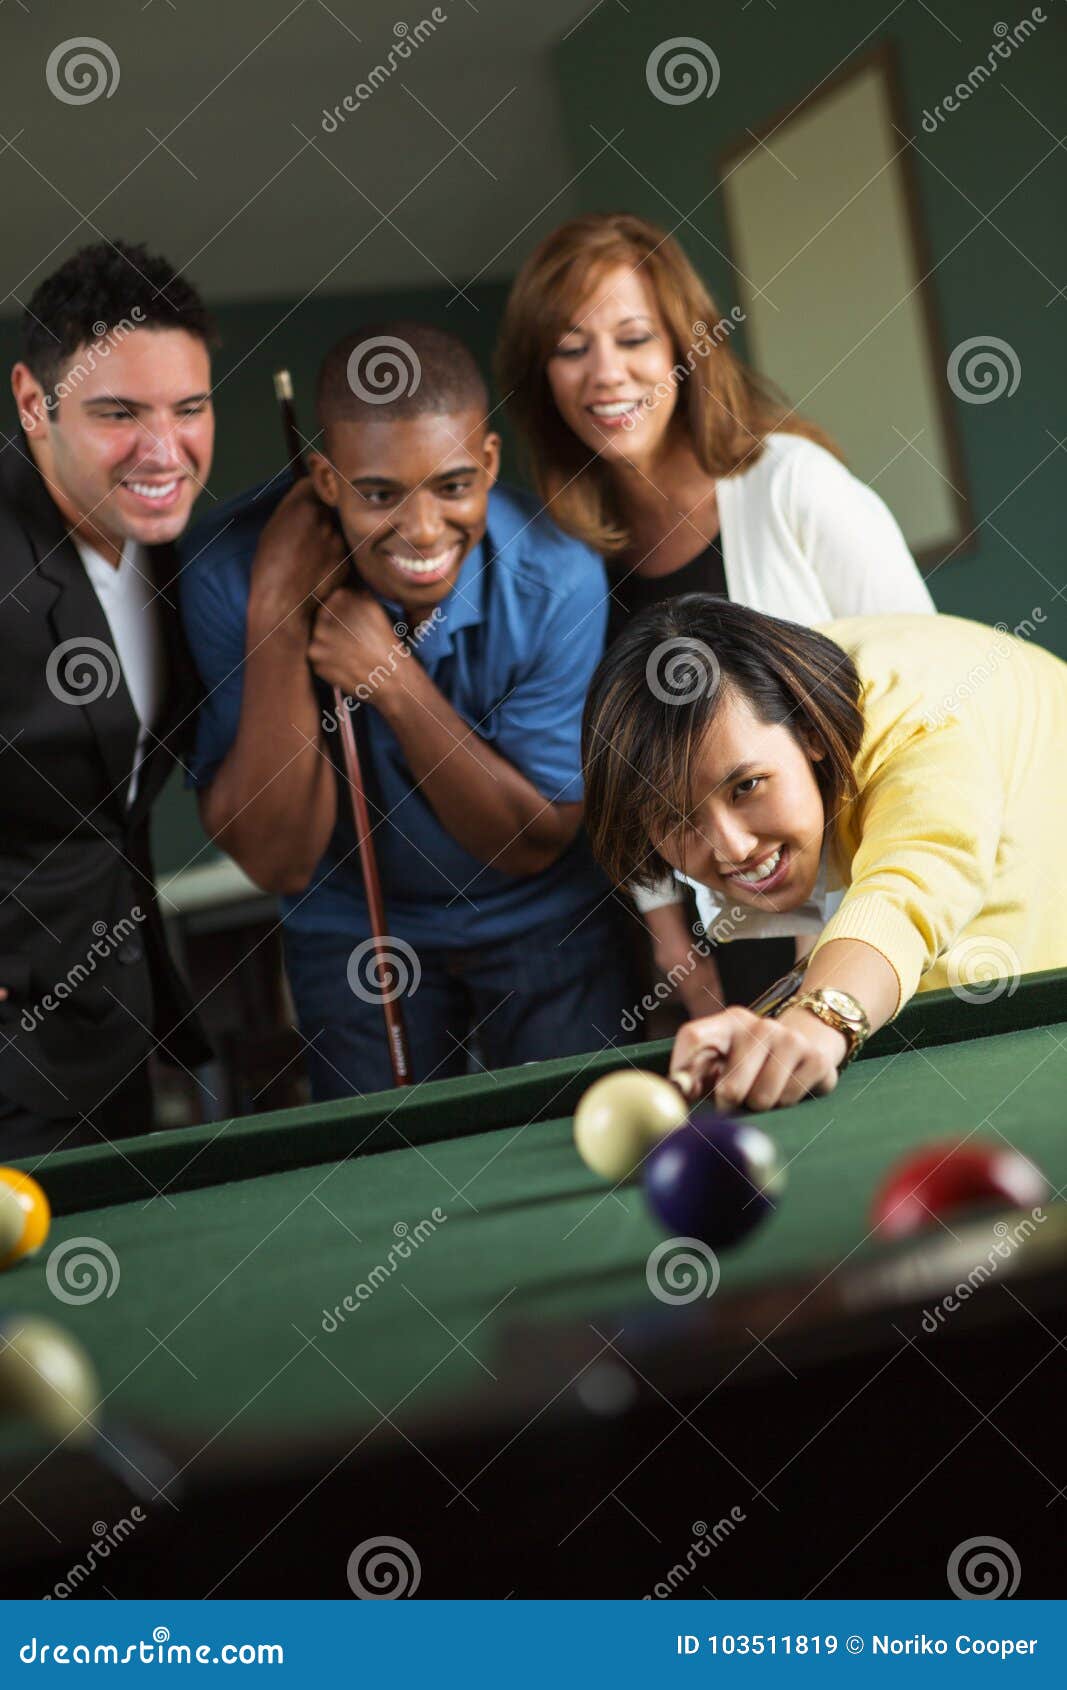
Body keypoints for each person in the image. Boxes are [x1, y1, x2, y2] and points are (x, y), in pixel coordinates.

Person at [180, 321, 633, 1100]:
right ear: (324, 481)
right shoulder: (227, 573)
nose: (423, 530)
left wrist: (390, 678)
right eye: (380, 494)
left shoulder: (558, 573)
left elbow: (532, 841)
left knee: (580, 1162)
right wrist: (277, 621)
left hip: (542, 917)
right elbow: (276, 858)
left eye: (453, 486)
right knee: (376, 1186)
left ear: (489, 465)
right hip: (352, 928)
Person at [497, 212, 934, 1016]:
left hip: (865, 905)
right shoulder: (567, 554)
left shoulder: (797, 486)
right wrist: (665, 929)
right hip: (712, 920)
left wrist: (832, 930)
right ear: (541, 375)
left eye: (633, 339)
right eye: (569, 347)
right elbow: (627, 763)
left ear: (683, 349)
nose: (605, 375)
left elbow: (925, 708)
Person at [581, 594, 1067, 1114]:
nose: (733, 847)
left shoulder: (919, 732)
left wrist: (818, 1019)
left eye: (746, 787)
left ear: (809, 735)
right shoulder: (773, 702)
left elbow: (906, 895)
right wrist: (786, 1019)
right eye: (678, 819)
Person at [0, 239, 216, 1158]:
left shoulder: (174, 549)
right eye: (118, 413)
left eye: (190, 409)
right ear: (31, 404)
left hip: (113, 1030)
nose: (163, 450)